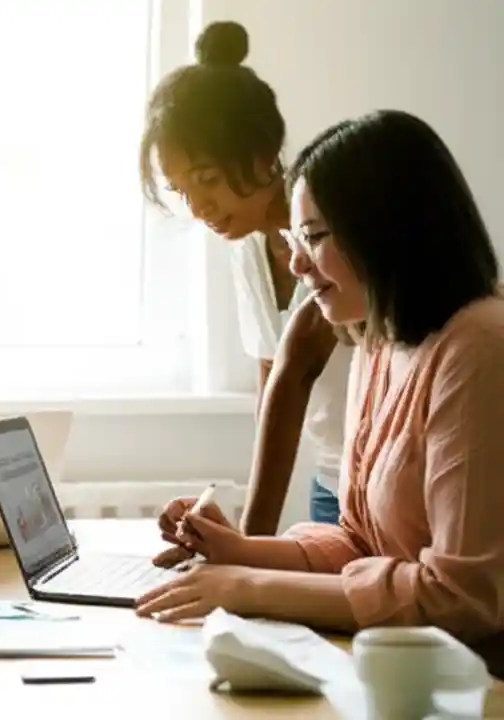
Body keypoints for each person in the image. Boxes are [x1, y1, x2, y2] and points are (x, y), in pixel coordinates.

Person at [135, 110, 504, 677]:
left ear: (386, 228)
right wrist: (237, 549)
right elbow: (360, 542)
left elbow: (462, 598)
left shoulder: (480, 346)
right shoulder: (377, 339)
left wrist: (250, 585)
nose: (297, 262)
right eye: (294, 239)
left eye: (313, 237)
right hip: (407, 674)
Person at [140, 21, 352, 550]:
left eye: (208, 180)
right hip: (330, 482)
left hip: (387, 487)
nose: (199, 207)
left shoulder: (336, 224)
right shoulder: (248, 249)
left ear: (263, 155)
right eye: (182, 190)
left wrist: (248, 545)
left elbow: (296, 374)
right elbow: (271, 383)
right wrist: (237, 534)